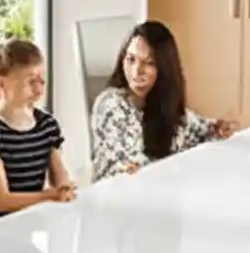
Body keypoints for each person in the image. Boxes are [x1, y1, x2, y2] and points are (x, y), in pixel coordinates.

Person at [89, 20, 236, 182]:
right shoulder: (111, 104)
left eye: (149, 63)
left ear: (164, 69)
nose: (137, 71)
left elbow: (199, 130)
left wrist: (219, 129)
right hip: (115, 197)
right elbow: (123, 169)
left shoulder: (162, 105)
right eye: (131, 59)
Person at [0, 38, 75, 226]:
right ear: (0, 84)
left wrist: (64, 188)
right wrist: (46, 196)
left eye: (42, 80)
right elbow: (0, 200)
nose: (39, 88)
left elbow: (59, 175)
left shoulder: (47, 124)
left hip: (23, 223)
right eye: (30, 82)